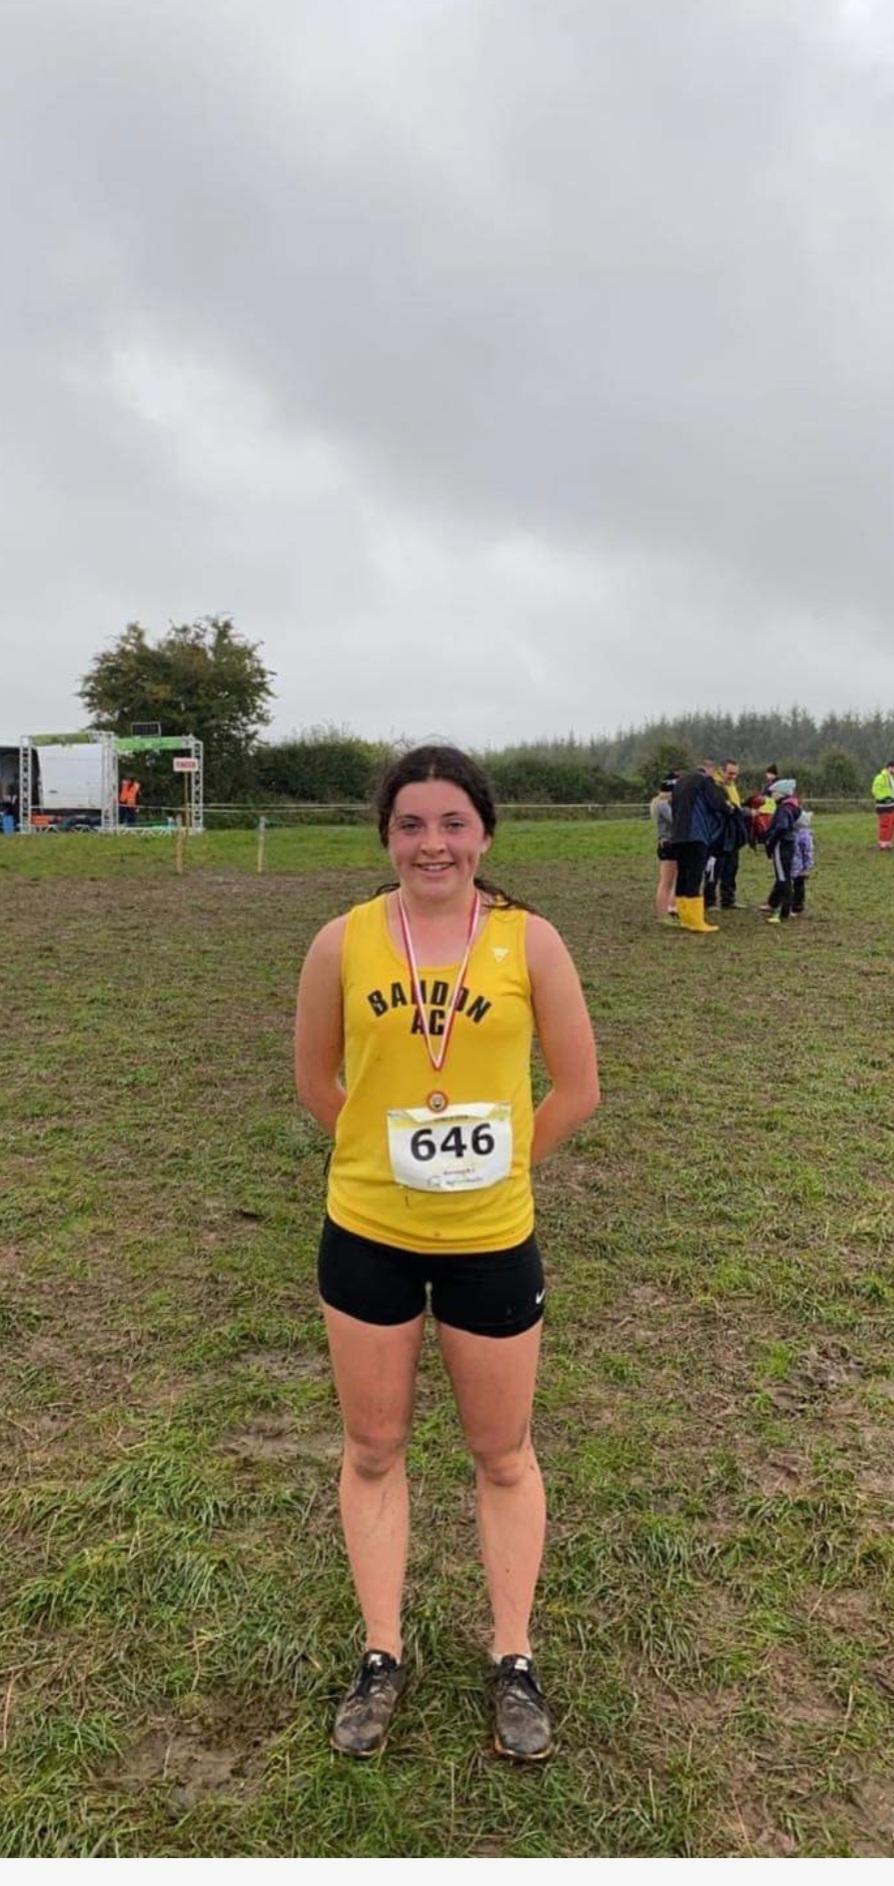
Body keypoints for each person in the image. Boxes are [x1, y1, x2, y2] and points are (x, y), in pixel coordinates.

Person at [294, 745, 600, 1762]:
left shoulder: (531, 942)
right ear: (387, 834)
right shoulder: (341, 942)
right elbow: (317, 1087)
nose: (433, 842)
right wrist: (391, 1166)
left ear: (485, 833)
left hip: (491, 1239)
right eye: (413, 823)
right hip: (368, 1234)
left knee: (503, 1454)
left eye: (453, 822)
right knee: (373, 1447)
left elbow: (576, 1089)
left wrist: (498, 1169)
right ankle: (381, 1651)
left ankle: (513, 1654)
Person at [668, 761, 729, 933]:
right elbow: (717, 803)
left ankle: (685, 918)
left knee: (683, 876)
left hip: (678, 836)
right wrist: (729, 808)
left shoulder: (680, 783)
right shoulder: (704, 781)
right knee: (695, 876)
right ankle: (697, 921)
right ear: (709, 770)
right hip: (696, 835)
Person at [703, 761, 747, 912]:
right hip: (718, 834)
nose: (733, 776)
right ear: (722, 771)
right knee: (714, 867)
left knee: (731, 867)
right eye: (730, 773)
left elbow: (735, 806)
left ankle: (728, 899)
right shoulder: (714, 786)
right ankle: (709, 901)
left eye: (735, 773)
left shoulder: (731, 786)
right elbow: (720, 807)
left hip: (732, 833)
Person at [761, 778, 801, 924]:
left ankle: (783, 912)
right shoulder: (793, 806)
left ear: (781, 794)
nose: (772, 796)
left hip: (781, 845)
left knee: (783, 878)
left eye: (774, 793)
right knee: (786, 877)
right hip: (789, 844)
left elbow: (781, 827)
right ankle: (786, 909)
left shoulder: (783, 809)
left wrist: (771, 842)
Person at [649, 773, 679, 923]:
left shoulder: (667, 804)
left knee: (675, 878)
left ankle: (672, 906)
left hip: (674, 844)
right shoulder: (662, 805)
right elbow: (675, 820)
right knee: (666, 881)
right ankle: (662, 914)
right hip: (668, 845)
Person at [791, 809, 815, 915]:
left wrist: (806, 867)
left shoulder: (804, 836)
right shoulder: (793, 833)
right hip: (792, 864)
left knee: (799, 885)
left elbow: (808, 852)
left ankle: (797, 905)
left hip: (799, 867)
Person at [871, 761, 894, 851]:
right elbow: (875, 790)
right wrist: (885, 798)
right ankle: (882, 844)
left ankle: (888, 842)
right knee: (884, 824)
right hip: (883, 805)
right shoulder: (880, 777)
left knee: (891, 825)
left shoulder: (891, 778)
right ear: (889, 767)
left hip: (891, 805)